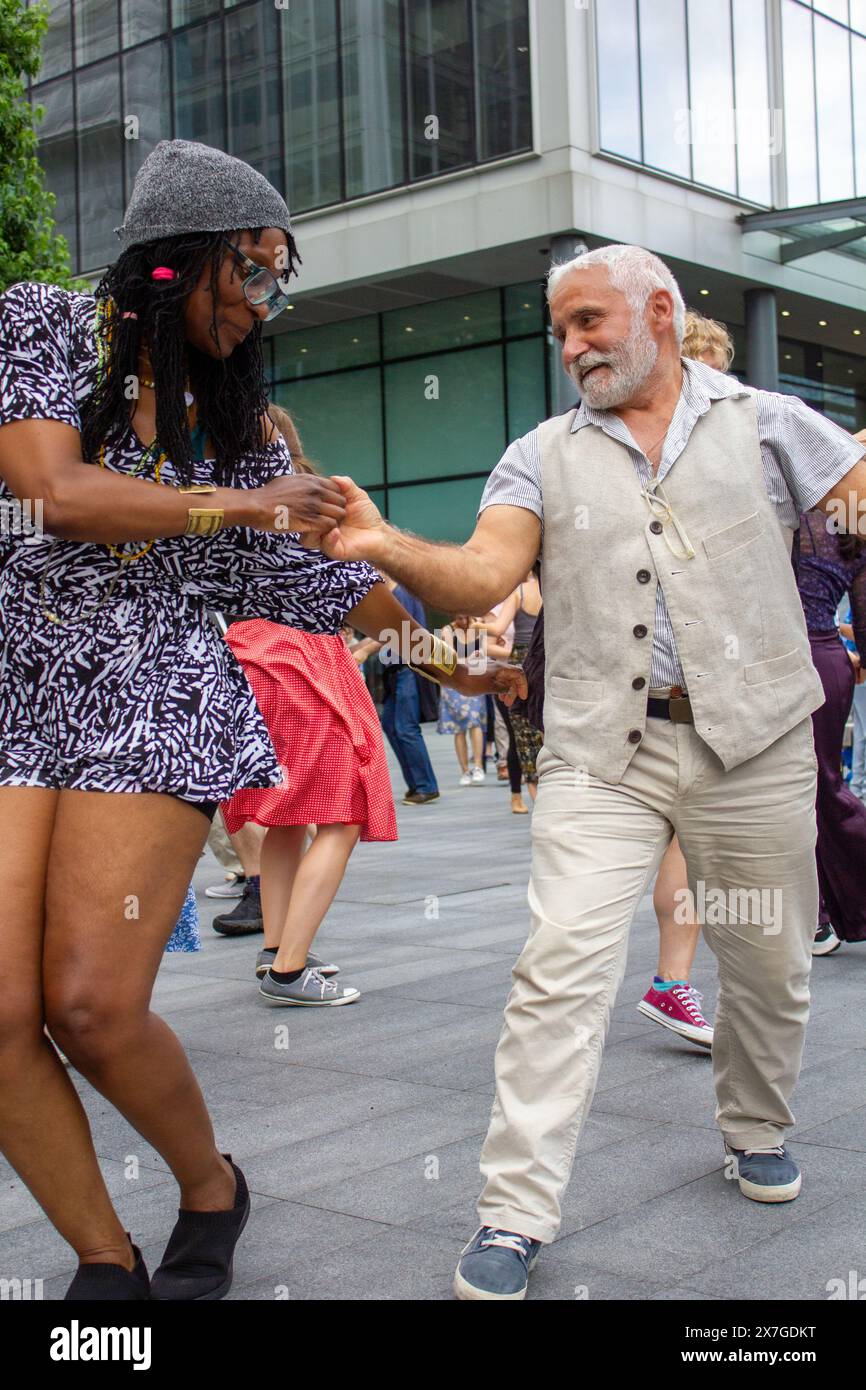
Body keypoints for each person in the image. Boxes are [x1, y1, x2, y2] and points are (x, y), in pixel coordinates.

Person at [0, 137, 524, 1303]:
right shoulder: (42, 323)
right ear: (187, 256)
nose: (268, 301)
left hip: (154, 698)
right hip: (13, 690)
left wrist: (452, 667)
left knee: (88, 1003)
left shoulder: (228, 432)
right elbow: (53, 491)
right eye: (259, 270)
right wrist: (244, 498)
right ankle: (102, 1255)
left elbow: (335, 588)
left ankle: (208, 1188)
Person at [314, 241, 866, 1299]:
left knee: (766, 961)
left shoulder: (765, 421)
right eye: (559, 329)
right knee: (557, 962)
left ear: (657, 311)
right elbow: (481, 571)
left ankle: (754, 1126)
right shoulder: (541, 455)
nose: (569, 346)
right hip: (599, 748)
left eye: (587, 323)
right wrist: (385, 543)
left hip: (750, 742)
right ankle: (513, 1210)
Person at [795, 507, 866, 952]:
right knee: (821, 784)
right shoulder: (853, 531)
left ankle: (817, 914)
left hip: (793, 662)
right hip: (829, 662)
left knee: (807, 788)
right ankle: (818, 912)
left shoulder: (794, 517)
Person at [353, 576, 442, 805]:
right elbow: (379, 634)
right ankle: (417, 785)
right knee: (392, 725)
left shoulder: (402, 594)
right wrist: (353, 648)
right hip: (395, 670)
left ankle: (426, 786)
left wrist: (363, 652)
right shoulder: (390, 596)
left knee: (404, 727)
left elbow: (401, 630)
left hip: (409, 668)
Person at [437, 618, 488, 785]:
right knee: (459, 727)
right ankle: (465, 770)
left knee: (475, 722)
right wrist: (471, 660)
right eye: (459, 617)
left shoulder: (479, 625)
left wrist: (477, 658)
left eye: (465, 617)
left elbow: (485, 651)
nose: (463, 621)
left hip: (474, 680)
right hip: (454, 683)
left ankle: (478, 765)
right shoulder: (447, 630)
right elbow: (452, 658)